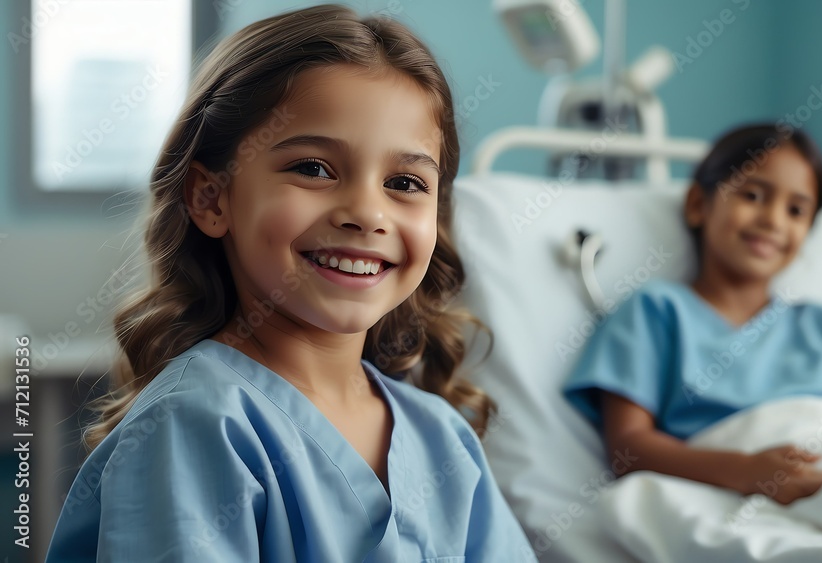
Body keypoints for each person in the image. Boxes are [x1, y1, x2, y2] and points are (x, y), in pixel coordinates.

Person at [46, 5, 535, 561]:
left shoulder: (444, 439)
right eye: (313, 169)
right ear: (211, 198)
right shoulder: (196, 425)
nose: (366, 213)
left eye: (404, 182)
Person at [563, 123, 822, 506]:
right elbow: (629, 449)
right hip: (753, 494)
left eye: (796, 210)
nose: (773, 220)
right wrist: (744, 470)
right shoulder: (656, 311)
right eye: (752, 195)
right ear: (697, 205)